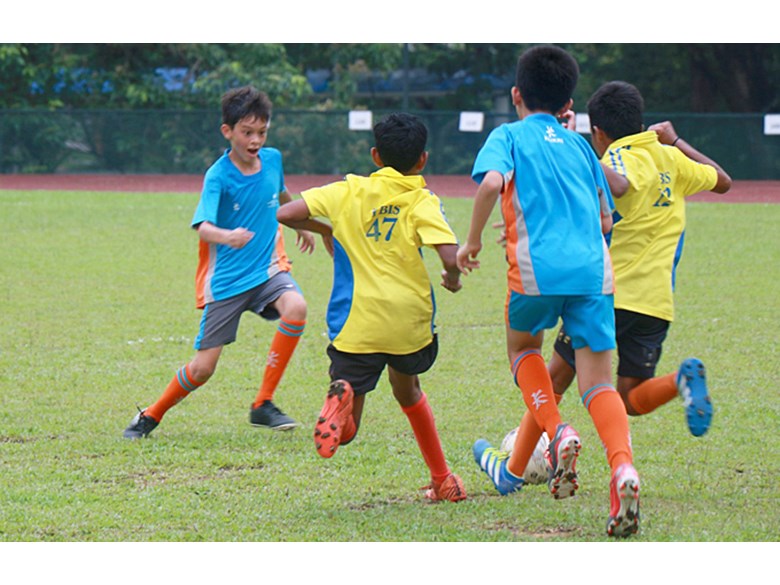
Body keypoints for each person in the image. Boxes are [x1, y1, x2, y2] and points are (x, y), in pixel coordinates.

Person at [507, 81, 732, 499]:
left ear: (599, 132)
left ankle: (513, 470)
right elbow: (723, 181)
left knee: (553, 381)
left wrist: (575, 150)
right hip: (656, 302)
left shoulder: (610, 160)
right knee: (629, 396)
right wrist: (676, 141)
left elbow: (614, 187)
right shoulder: (672, 158)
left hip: (606, 295)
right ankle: (680, 380)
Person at [457, 45, 639, 536]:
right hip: (594, 273)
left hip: (538, 272)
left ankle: (558, 432)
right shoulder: (580, 145)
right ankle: (623, 468)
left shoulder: (507, 135)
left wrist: (473, 242)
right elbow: (606, 220)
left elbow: (491, 184)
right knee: (598, 383)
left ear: (516, 94)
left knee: (522, 349)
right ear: (567, 103)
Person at [276, 112, 467, 503]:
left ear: (375, 156)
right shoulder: (422, 199)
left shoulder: (348, 190)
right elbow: (450, 256)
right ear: (423, 160)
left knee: (348, 430)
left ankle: (342, 394)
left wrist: (327, 228)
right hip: (407, 323)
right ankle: (443, 480)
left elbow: (286, 213)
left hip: (357, 324)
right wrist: (452, 277)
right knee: (408, 390)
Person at [123, 86, 322, 439]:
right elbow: (202, 226)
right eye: (247, 132)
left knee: (296, 307)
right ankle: (151, 414)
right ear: (227, 131)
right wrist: (227, 236)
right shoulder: (218, 175)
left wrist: (301, 225)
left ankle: (263, 403)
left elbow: (280, 193)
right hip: (227, 281)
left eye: (262, 132)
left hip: (267, 271)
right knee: (203, 368)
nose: (255, 140)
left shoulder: (273, 159)